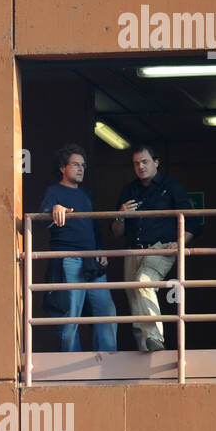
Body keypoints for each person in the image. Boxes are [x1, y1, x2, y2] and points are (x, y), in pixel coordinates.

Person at [110, 144, 202, 352]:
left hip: (161, 248)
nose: (140, 167)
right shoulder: (128, 190)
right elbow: (116, 231)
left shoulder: (171, 187)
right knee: (135, 301)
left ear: (156, 163)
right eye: (136, 163)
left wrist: (180, 243)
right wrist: (120, 214)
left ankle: (155, 338)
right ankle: (145, 353)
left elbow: (194, 223)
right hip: (133, 250)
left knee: (143, 282)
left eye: (145, 162)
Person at [39, 145, 117, 353]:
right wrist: (53, 209)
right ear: (63, 167)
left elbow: (94, 227)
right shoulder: (53, 192)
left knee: (107, 311)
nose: (81, 169)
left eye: (83, 165)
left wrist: (101, 250)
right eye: (76, 165)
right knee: (70, 315)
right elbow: (41, 218)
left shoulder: (86, 195)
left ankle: (108, 361)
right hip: (69, 260)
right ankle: (70, 363)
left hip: (92, 259)